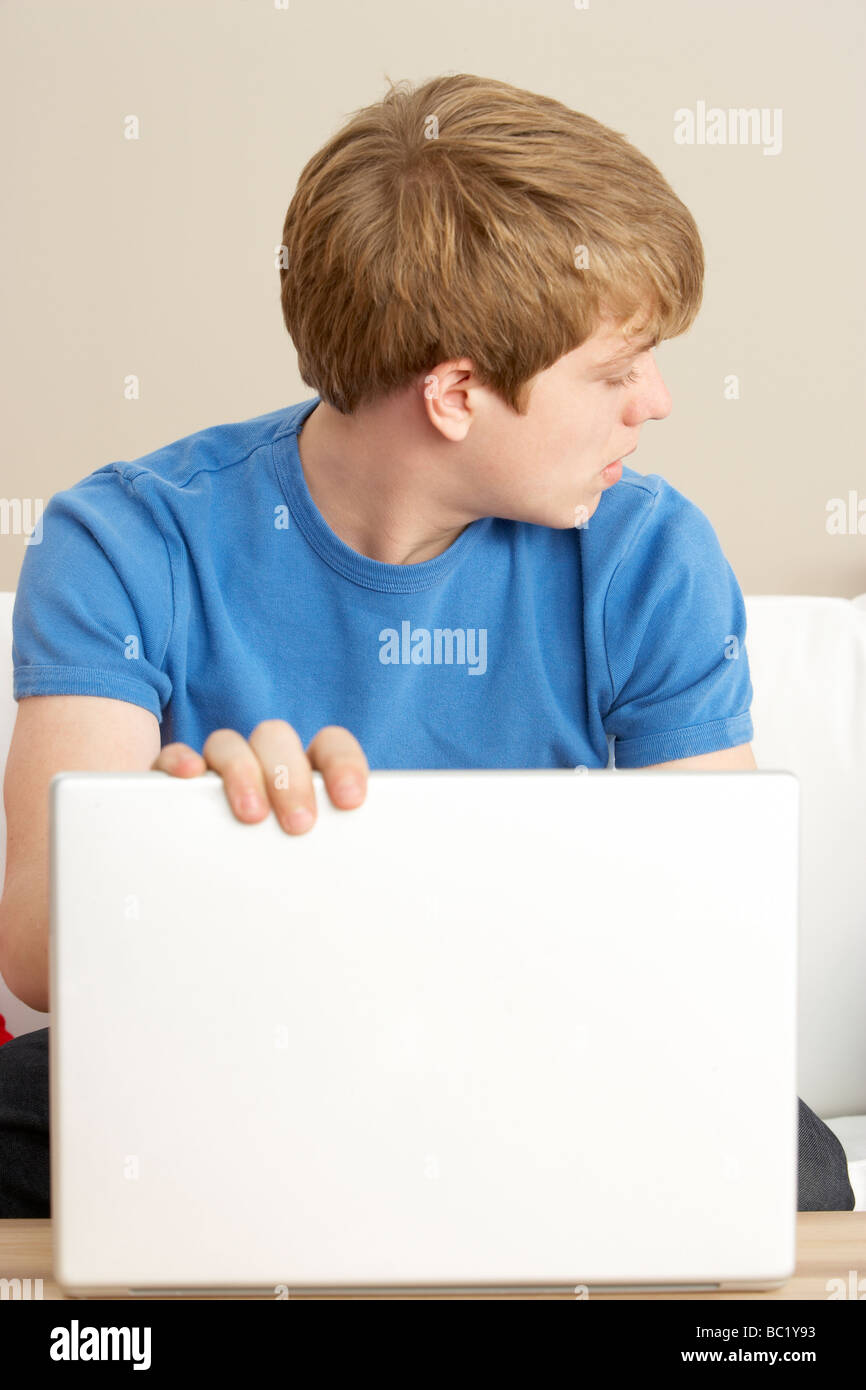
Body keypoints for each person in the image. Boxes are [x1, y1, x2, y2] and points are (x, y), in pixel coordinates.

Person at [0, 73, 854, 1216]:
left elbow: (720, 954)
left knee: (789, 1164)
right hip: (222, 1053)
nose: (652, 402)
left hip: (538, 1054)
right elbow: (41, 955)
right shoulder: (123, 538)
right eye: (612, 371)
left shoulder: (647, 551)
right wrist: (192, 846)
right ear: (454, 392)